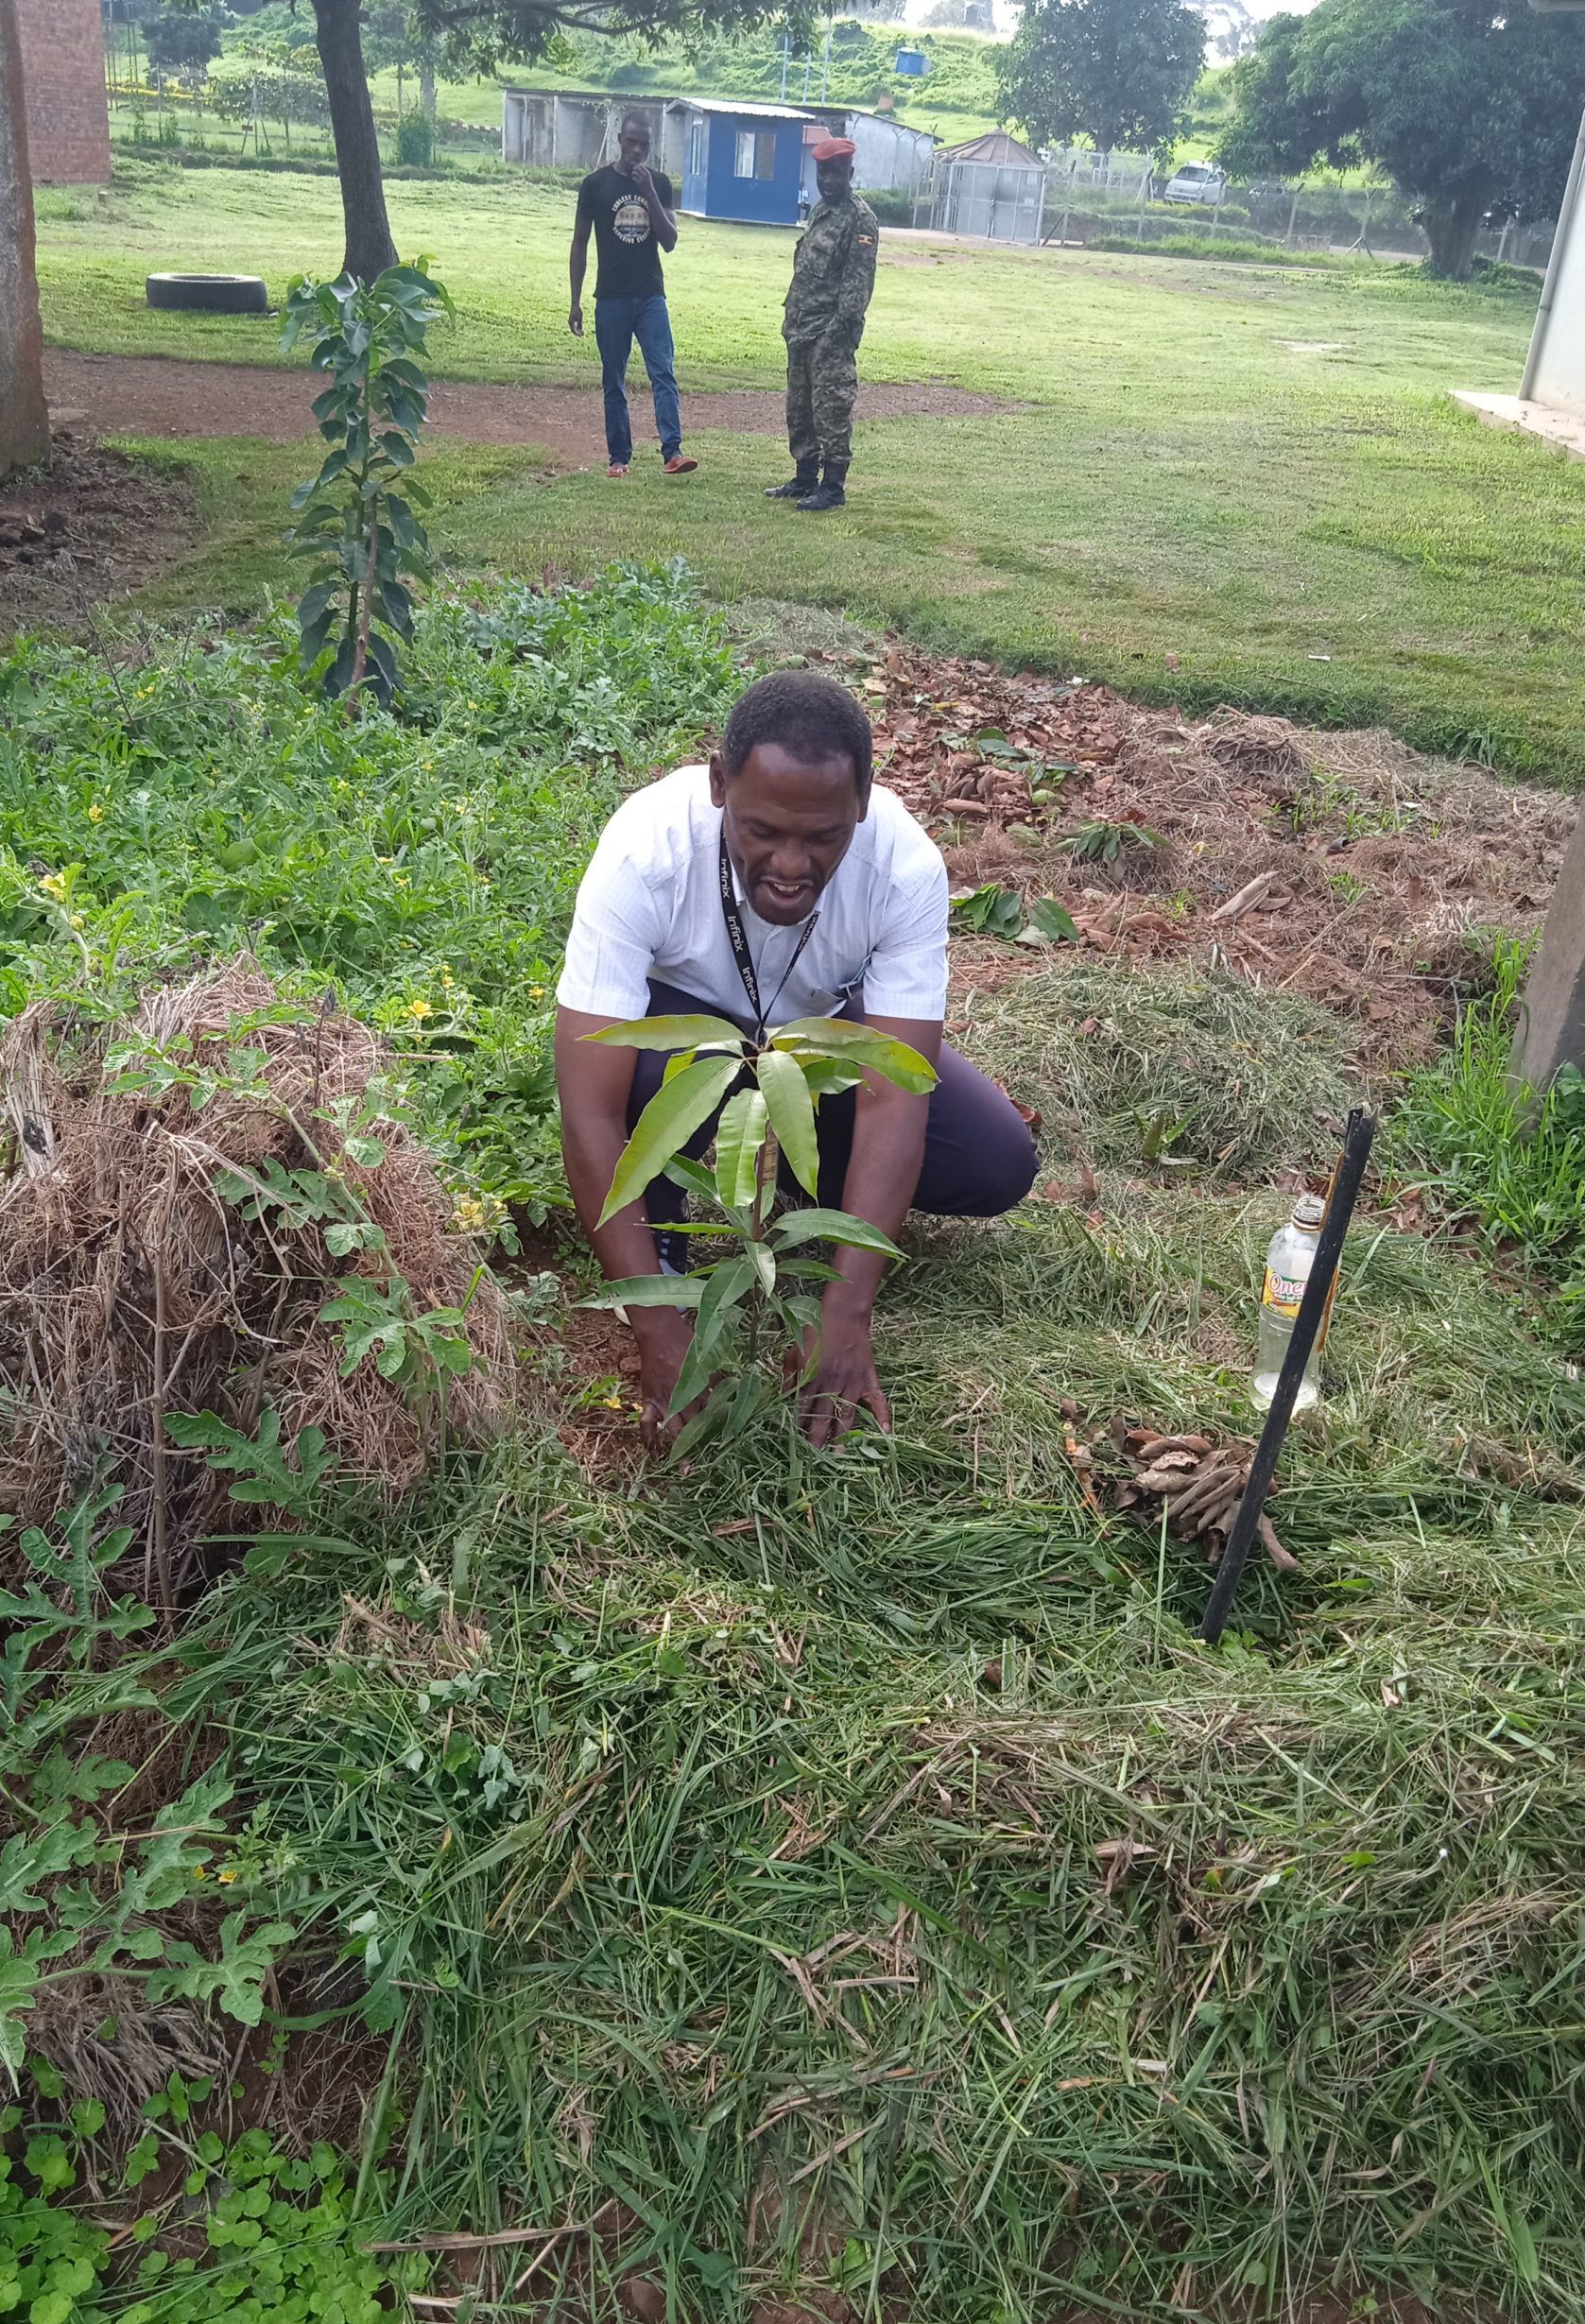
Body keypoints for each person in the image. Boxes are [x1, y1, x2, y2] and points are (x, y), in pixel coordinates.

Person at [555, 671, 1040, 1446]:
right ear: (719, 785)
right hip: (682, 1029)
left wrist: (845, 1314)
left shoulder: (903, 868)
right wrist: (656, 1331)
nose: (789, 865)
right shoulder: (646, 852)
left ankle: (810, 1197)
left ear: (863, 802)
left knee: (995, 1160)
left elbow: (894, 1094)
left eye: (822, 839)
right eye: (763, 831)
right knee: (646, 1067)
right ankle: (661, 1238)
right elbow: (589, 1107)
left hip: (822, 1037)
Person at [568, 111, 698, 479]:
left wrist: (649, 193)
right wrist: (575, 301)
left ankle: (673, 453)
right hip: (610, 297)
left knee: (663, 372)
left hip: (650, 295)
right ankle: (618, 458)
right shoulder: (595, 185)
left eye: (644, 145)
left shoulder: (660, 183)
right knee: (614, 379)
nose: (637, 151)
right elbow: (579, 244)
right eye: (631, 142)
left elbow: (669, 241)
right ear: (619, 140)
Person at [767, 136, 879, 514]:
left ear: (850, 172)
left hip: (830, 333)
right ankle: (804, 477)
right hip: (801, 327)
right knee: (799, 408)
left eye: (836, 172)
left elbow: (857, 285)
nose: (828, 180)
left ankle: (832, 487)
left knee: (831, 407)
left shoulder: (860, 218)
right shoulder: (820, 211)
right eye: (822, 172)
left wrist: (836, 336)